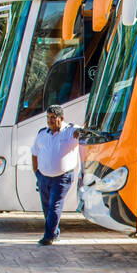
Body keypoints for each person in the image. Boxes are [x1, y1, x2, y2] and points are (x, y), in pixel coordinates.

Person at [30, 104, 83, 245]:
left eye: (53, 118)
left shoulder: (69, 131)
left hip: (62, 178)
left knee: (55, 206)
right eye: (48, 117)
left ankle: (48, 237)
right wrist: (37, 173)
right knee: (47, 207)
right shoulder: (42, 133)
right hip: (43, 177)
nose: (50, 120)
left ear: (61, 118)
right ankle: (54, 232)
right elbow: (34, 153)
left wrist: (81, 131)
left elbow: (80, 133)